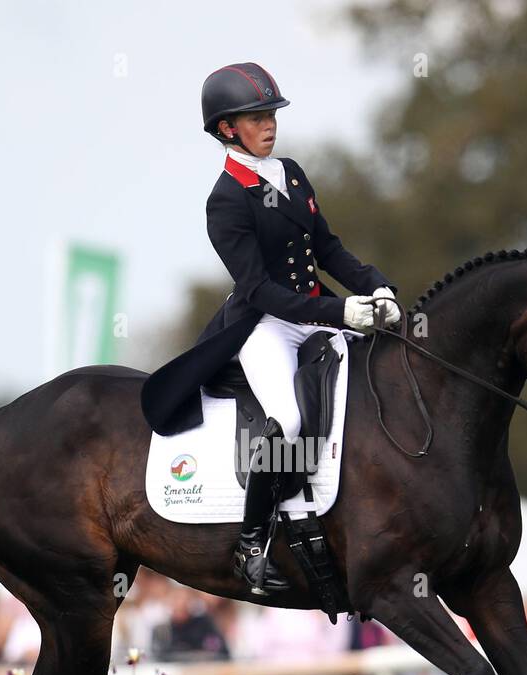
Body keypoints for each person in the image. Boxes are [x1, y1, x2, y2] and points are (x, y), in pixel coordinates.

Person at [140, 62, 398, 595]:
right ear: (227, 129)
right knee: (289, 416)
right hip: (265, 325)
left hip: (315, 314)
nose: (269, 125)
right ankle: (253, 541)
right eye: (257, 118)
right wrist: (340, 313)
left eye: (271, 115)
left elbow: (327, 249)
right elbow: (258, 290)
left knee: (377, 379)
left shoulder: (292, 172)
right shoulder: (225, 200)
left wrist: (376, 286)